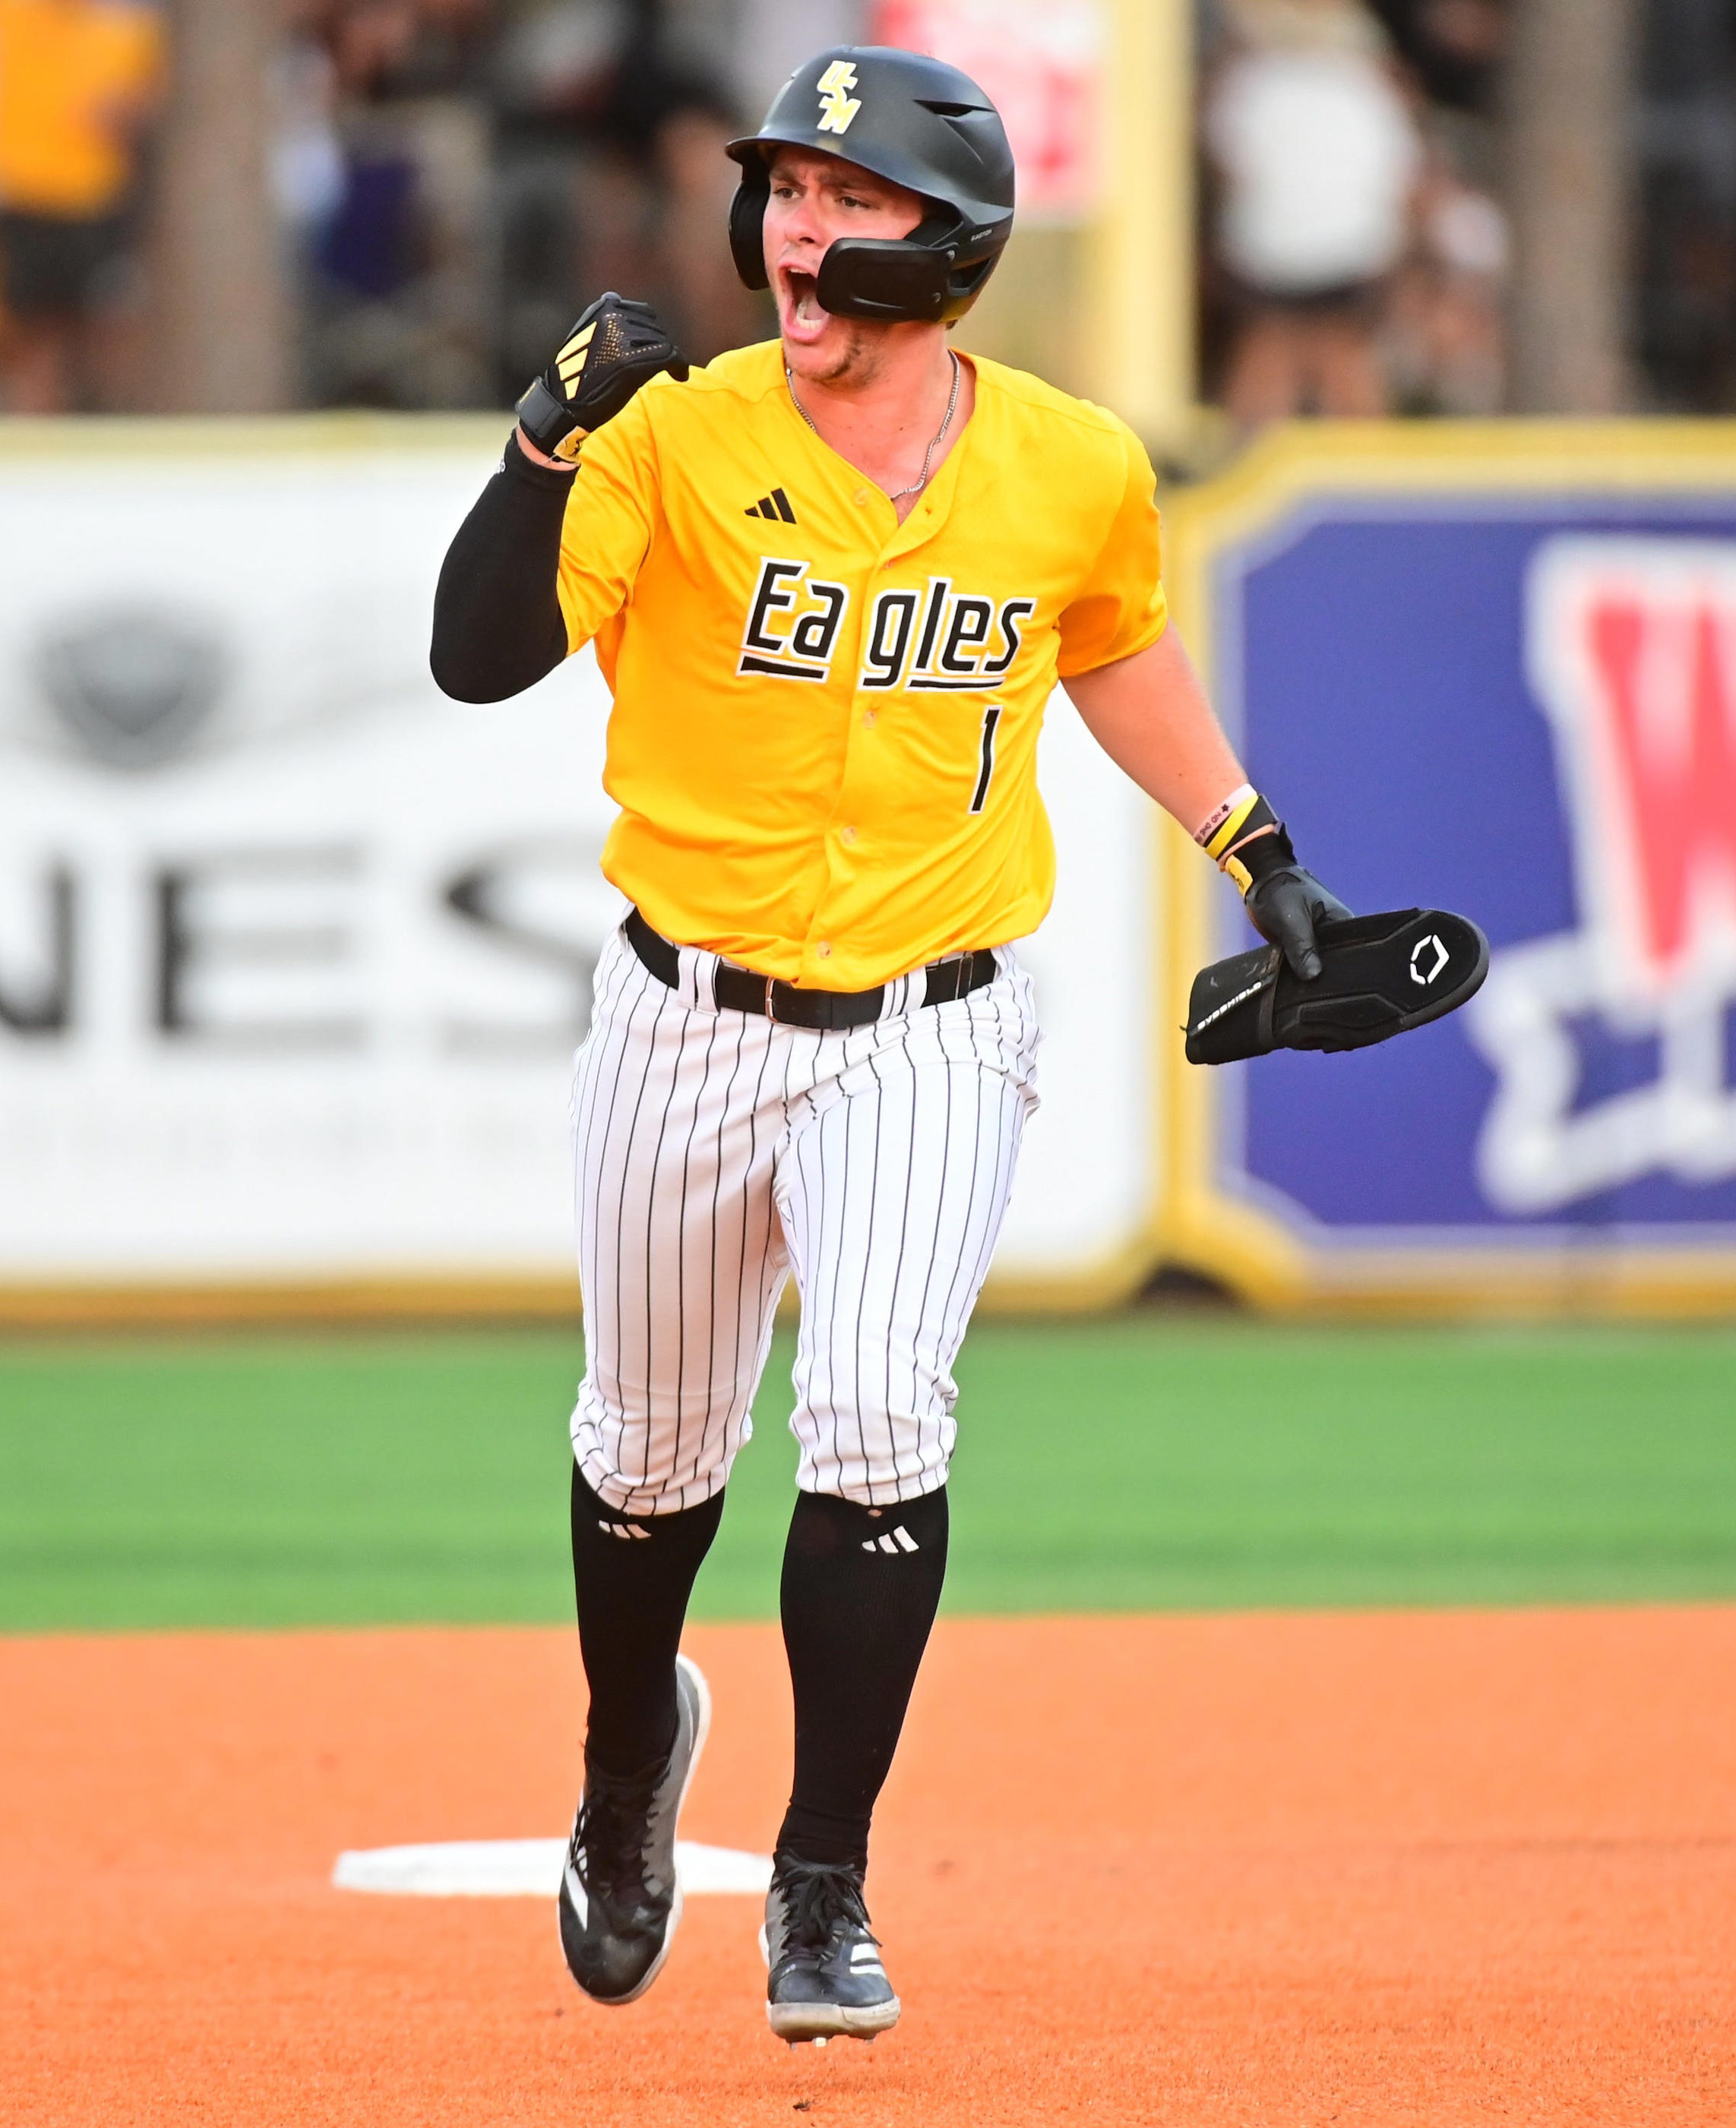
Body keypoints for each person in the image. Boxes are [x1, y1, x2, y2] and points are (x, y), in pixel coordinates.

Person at [427, 46, 1352, 2044]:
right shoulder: (676, 439)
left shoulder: (1069, 466)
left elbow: (1112, 642)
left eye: (846, 201)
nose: (797, 230)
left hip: (931, 1018)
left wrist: (1255, 848)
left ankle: (823, 1880)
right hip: (682, 1011)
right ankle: (623, 1762)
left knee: (869, 1417)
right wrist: (539, 446)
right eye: (784, 191)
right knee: (647, 1450)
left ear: (948, 250)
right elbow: (475, 659)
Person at [1206, 0, 1423, 426]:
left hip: (1268, 251)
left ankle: (1251, 447)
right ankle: (1364, 455)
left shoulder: (1252, 84)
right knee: (1343, 353)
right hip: (1353, 249)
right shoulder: (1368, 87)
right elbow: (1402, 174)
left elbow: (1229, 164)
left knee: (1269, 349)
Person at [0, 0, 159, 411]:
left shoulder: (128, 26)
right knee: (30, 329)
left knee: (106, 324)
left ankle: (111, 419)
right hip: (22, 192)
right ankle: (34, 427)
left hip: (96, 198)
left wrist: (127, 110)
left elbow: (152, 96)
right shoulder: (10, 11)